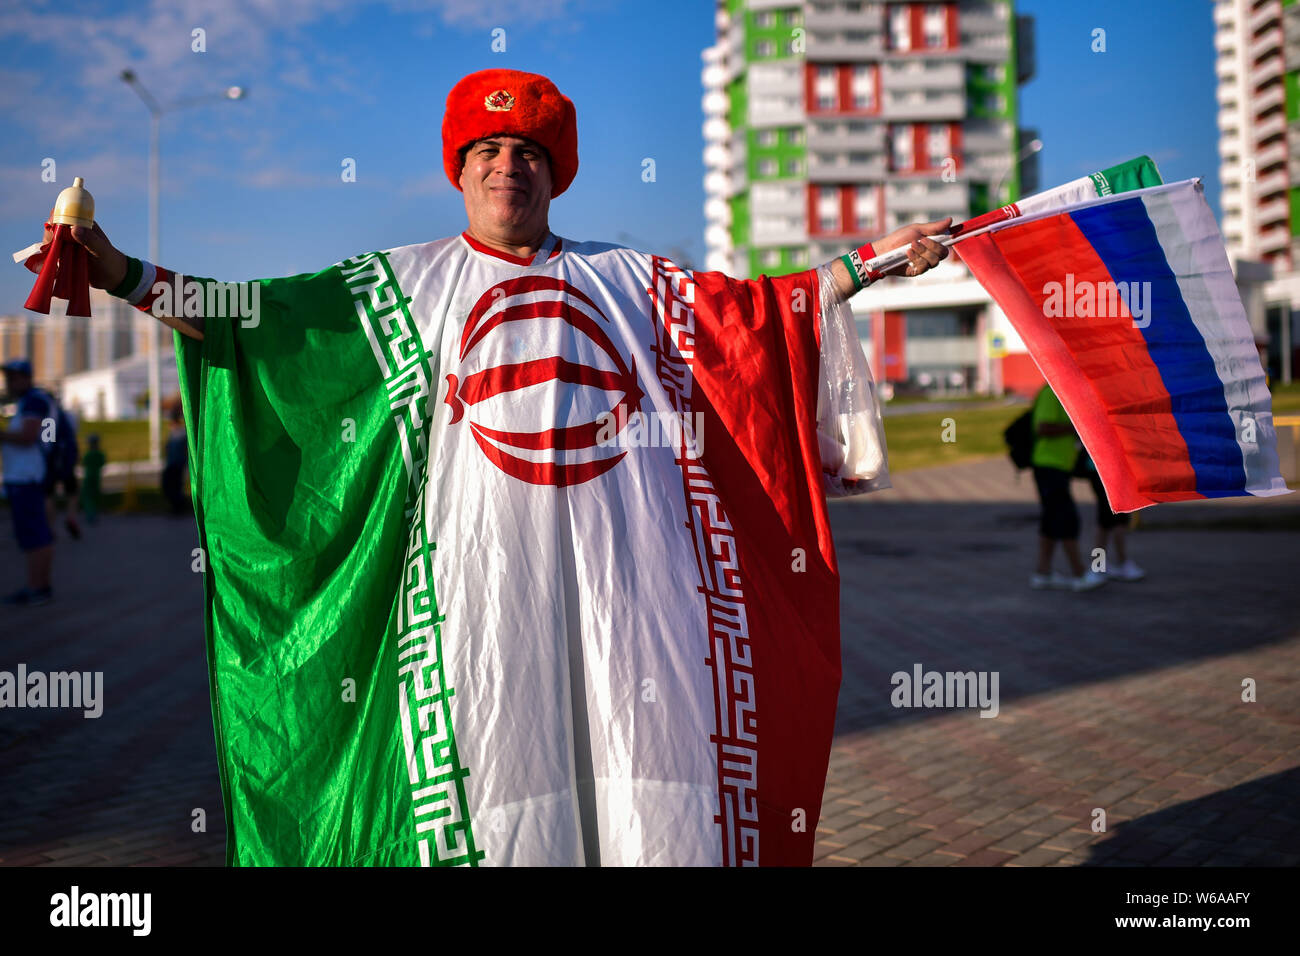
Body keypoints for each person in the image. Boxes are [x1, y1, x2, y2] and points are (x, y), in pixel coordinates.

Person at [34, 68, 949, 867]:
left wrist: (869, 264)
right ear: (459, 171)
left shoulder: (635, 283)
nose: (508, 165)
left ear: (556, 174)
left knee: (645, 788)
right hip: (473, 602)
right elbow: (255, 319)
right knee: (495, 791)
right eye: (488, 150)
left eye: (528, 152)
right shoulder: (404, 285)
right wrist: (119, 271)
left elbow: (758, 316)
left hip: (629, 600)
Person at [1028, 383, 1107, 592]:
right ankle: (1079, 574)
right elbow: (1042, 427)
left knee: (1051, 521)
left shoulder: (1061, 392)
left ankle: (1042, 573)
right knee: (1066, 519)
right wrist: (1076, 427)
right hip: (1048, 466)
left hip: (1058, 466)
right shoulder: (1050, 393)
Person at [1, 358, 55, 606]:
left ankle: (38, 588)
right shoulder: (30, 401)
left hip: (27, 477)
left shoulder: (34, 401)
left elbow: (27, 436)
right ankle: (37, 586)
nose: (9, 383)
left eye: (13, 378)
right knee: (33, 535)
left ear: (26, 378)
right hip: (25, 477)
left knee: (35, 536)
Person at [1075, 447, 1145, 581]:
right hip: (1106, 467)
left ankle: (1100, 565)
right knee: (1116, 519)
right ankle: (1120, 563)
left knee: (1106, 521)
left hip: (1100, 466)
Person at [161, 411, 189, 516]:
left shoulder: (181, 434)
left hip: (177, 463)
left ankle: (178, 506)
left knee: (175, 485)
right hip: (172, 463)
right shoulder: (173, 434)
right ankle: (176, 505)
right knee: (171, 485)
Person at [79, 433, 106, 526]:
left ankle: (89, 515)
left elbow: (83, 463)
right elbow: (103, 463)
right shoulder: (100, 454)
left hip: (88, 477)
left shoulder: (88, 454)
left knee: (87, 497)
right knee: (95, 496)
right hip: (97, 477)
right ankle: (95, 513)